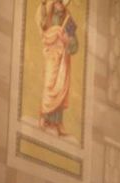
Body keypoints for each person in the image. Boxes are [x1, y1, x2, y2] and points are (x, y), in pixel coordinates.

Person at [37, 0, 79, 136]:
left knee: (61, 87)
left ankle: (57, 122)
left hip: (63, 58)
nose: (60, 4)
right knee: (49, 84)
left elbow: (75, 44)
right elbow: (43, 28)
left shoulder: (68, 18)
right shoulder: (49, 12)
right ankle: (44, 116)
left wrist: (68, 40)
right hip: (51, 55)